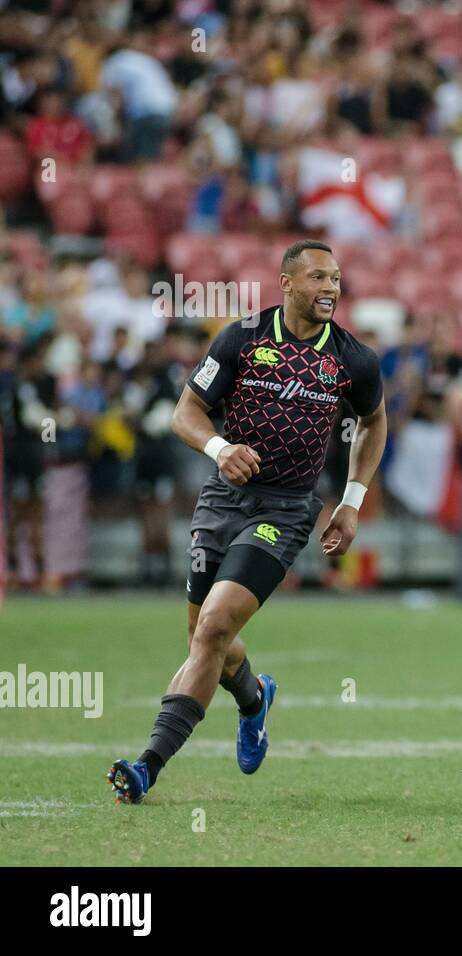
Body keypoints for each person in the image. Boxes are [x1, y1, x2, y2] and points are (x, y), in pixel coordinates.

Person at [107, 240, 387, 804]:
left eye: (335, 278)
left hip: (284, 511)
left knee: (212, 628)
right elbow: (184, 412)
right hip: (221, 501)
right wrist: (219, 448)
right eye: (317, 277)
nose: (330, 287)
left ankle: (146, 767)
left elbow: (374, 421)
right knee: (205, 638)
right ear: (286, 283)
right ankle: (254, 699)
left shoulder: (353, 359)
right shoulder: (242, 337)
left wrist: (352, 499)